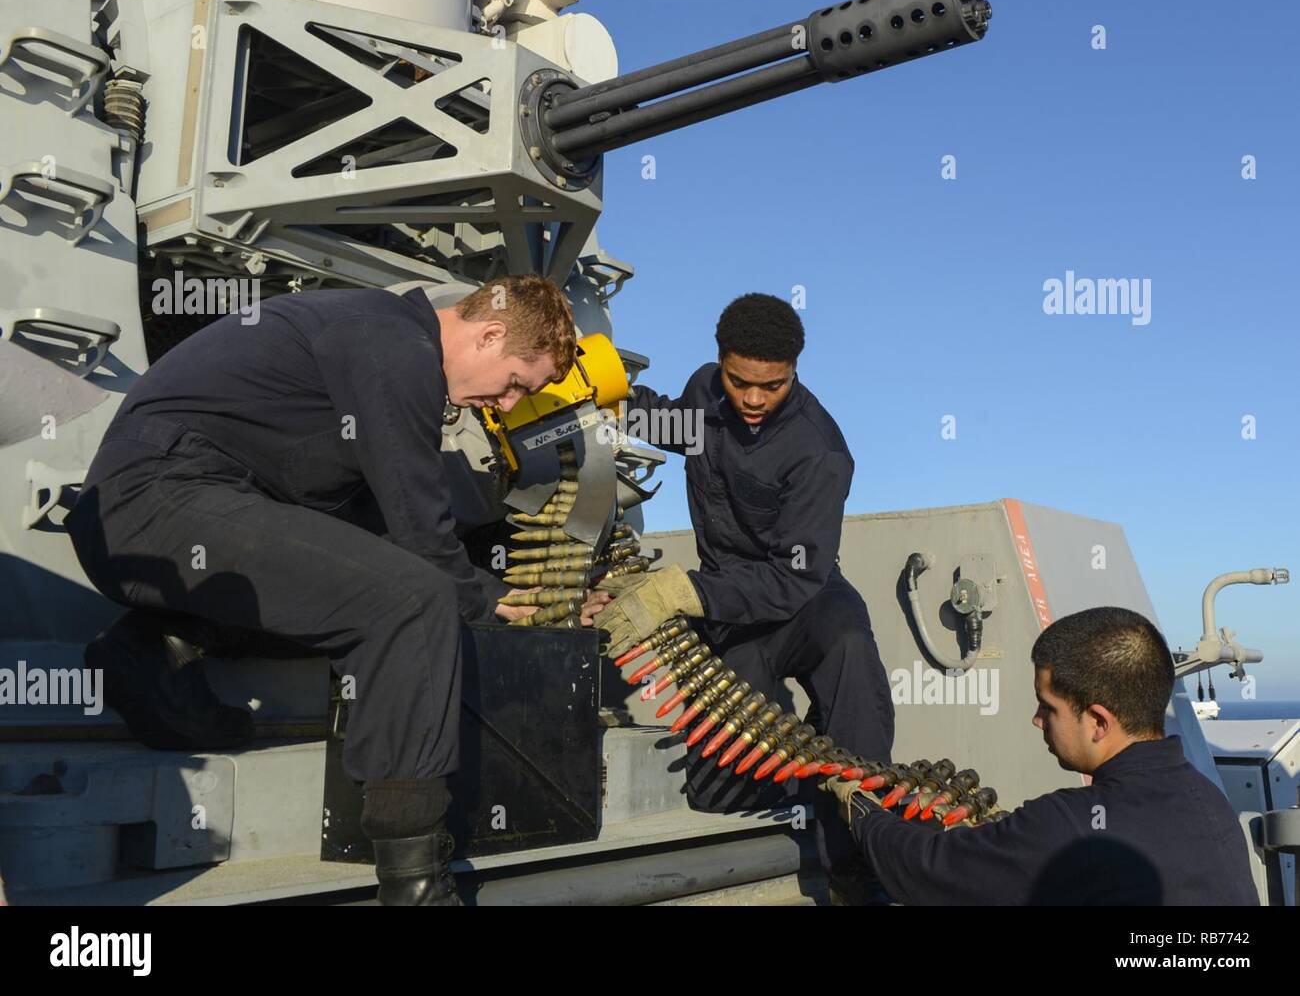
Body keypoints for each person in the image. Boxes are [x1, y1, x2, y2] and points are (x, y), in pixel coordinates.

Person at [66, 274, 591, 905]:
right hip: (153, 501)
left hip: (164, 515)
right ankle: (416, 879)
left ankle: (155, 647)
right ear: (490, 332)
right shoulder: (393, 341)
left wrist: (514, 592)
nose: (507, 405)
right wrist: (480, 598)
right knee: (413, 597)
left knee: (368, 579)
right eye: (515, 383)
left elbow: (378, 527)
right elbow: (420, 529)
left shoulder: (381, 335)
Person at [592, 292, 894, 904]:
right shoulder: (706, 392)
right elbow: (671, 426)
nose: (754, 400)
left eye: (772, 386)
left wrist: (680, 590)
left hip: (808, 598)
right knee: (719, 790)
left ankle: (855, 871)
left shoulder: (820, 451)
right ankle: (803, 779)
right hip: (730, 607)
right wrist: (606, 390)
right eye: (740, 382)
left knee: (855, 685)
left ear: (795, 371)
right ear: (720, 363)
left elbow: (793, 579)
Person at [825, 606, 1259, 906]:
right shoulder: (1208, 798)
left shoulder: (1068, 826)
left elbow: (928, 869)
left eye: (1048, 706)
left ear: (1098, 722)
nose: (1037, 720)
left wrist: (862, 810)